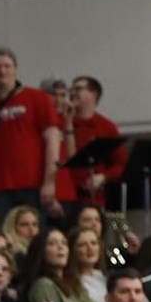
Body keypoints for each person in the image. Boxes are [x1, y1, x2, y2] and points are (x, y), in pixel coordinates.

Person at [0, 48, 61, 224]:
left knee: (32, 238)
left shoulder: (37, 99)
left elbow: (53, 141)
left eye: (7, 66)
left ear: (15, 69)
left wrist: (50, 182)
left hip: (31, 186)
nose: (2, 71)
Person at [57, 75, 125, 209]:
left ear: (93, 94)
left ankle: (123, 230)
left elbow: (120, 164)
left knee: (116, 225)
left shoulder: (106, 126)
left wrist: (103, 177)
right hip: (64, 196)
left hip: (95, 197)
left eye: (78, 89)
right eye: (71, 89)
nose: (72, 93)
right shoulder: (59, 121)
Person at [23, 227, 97, 302]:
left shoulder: (74, 282)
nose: (60, 247)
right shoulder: (43, 285)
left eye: (64, 243)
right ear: (41, 251)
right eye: (52, 243)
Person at [70, 226, 107, 302]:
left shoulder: (102, 277)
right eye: (82, 245)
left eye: (94, 243)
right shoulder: (70, 282)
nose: (90, 248)